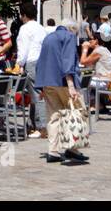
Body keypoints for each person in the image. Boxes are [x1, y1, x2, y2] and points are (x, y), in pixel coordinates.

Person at [34, 19, 89, 166]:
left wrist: (40, 87)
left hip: (48, 82)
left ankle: (53, 151)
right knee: (79, 112)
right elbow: (68, 61)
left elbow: (41, 62)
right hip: (63, 82)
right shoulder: (69, 36)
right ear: (72, 29)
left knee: (53, 116)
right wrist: (71, 85)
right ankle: (73, 148)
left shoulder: (48, 38)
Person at [14, 1, 47, 138]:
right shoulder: (41, 28)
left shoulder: (25, 28)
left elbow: (23, 50)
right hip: (43, 62)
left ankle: (42, 127)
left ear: (24, 15)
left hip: (31, 62)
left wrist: (18, 64)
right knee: (37, 94)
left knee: (37, 95)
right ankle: (32, 125)